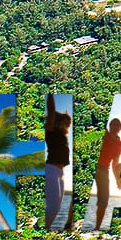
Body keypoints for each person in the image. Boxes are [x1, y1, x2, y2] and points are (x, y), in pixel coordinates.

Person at [43, 95, 72, 229]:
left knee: (58, 207)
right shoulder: (51, 131)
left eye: (68, 122)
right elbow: (51, 109)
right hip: (52, 169)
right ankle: (46, 229)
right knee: (53, 206)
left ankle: (50, 228)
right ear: (57, 121)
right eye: (64, 121)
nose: (67, 124)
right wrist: (50, 93)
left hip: (60, 171)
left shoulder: (62, 135)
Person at [92, 117, 121, 230]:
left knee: (104, 200)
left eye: (117, 125)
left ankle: (97, 226)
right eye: (112, 124)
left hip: (103, 171)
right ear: (109, 126)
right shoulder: (104, 135)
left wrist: (118, 180)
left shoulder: (120, 145)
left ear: (119, 128)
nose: (114, 126)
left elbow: (115, 164)